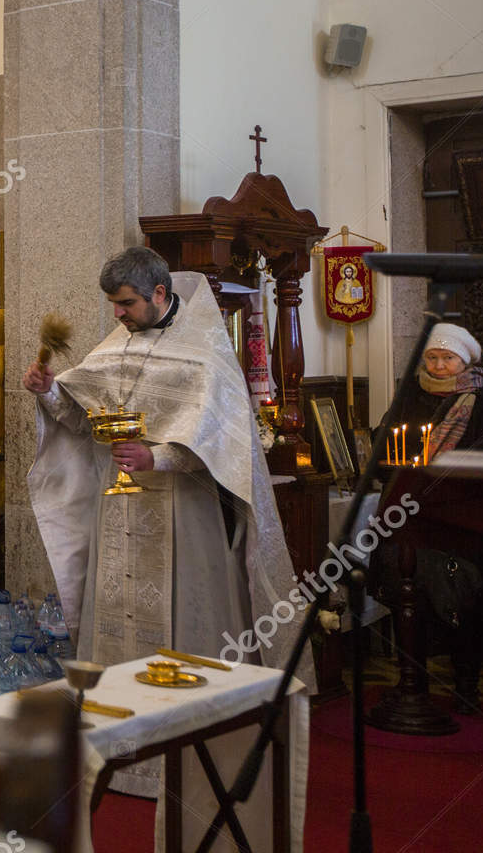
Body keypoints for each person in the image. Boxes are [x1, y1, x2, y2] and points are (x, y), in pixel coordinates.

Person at [26, 247, 310, 797]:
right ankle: (116, 750)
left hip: (184, 512)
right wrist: (51, 392)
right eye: (113, 304)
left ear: (159, 294)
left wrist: (161, 457)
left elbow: (228, 445)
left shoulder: (205, 352)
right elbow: (84, 416)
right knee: (115, 616)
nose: (118, 315)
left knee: (185, 622)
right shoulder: (117, 344)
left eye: (127, 303)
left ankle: (190, 759)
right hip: (120, 510)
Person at [379, 322, 483, 712]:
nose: (437, 366)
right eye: (432, 358)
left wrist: (448, 467)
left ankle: (466, 684)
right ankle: (412, 679)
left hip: (464, 512)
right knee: (409, 588)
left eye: (447, 358)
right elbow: (389, 435)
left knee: (464, 595)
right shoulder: (411, 389)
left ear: (464, 359)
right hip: (413, 508)